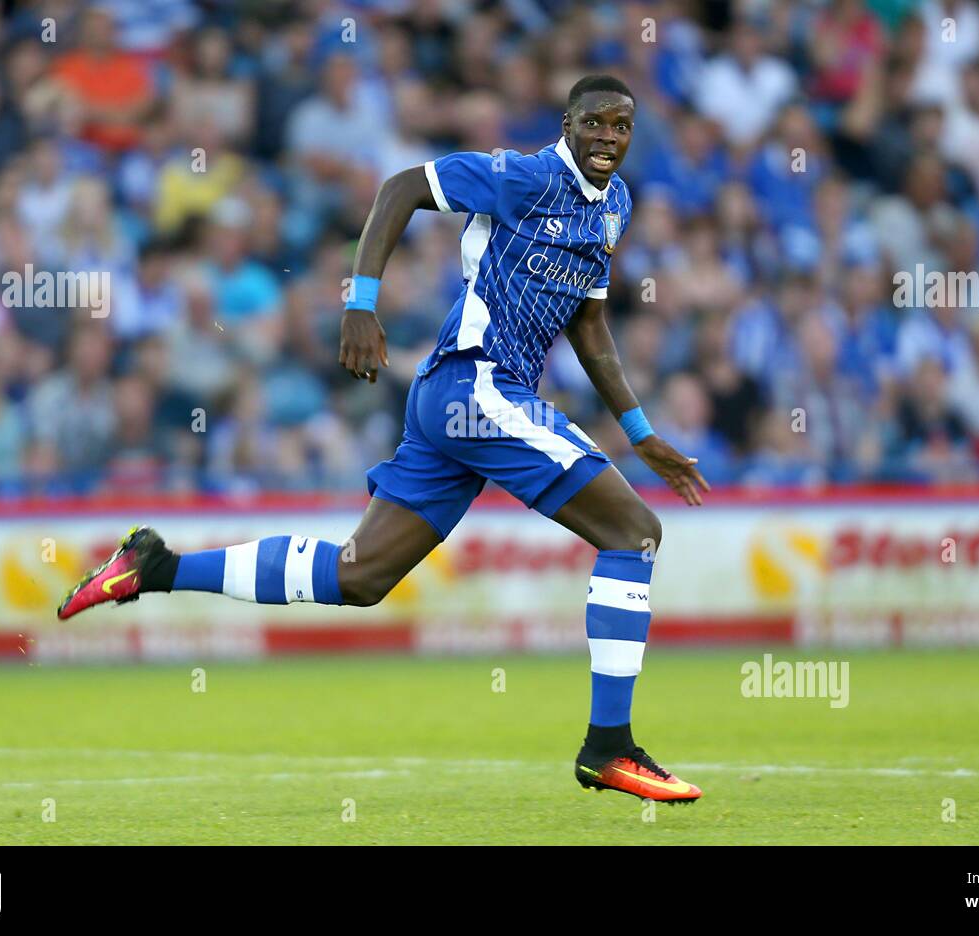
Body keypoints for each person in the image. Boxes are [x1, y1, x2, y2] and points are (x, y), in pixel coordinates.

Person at [56, 75, 708, 803]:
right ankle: (608, 747)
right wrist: (360, 303)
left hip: (458, 404)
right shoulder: (523, 176)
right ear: (567, 123)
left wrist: (640, 430)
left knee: (358, 576)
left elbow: (589, 325)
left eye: (622, 127)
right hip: (475, 384)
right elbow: (402, 186)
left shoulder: (613, 207)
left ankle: (156, 567)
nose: (608, 139)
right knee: (634, 533)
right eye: (595, 123)